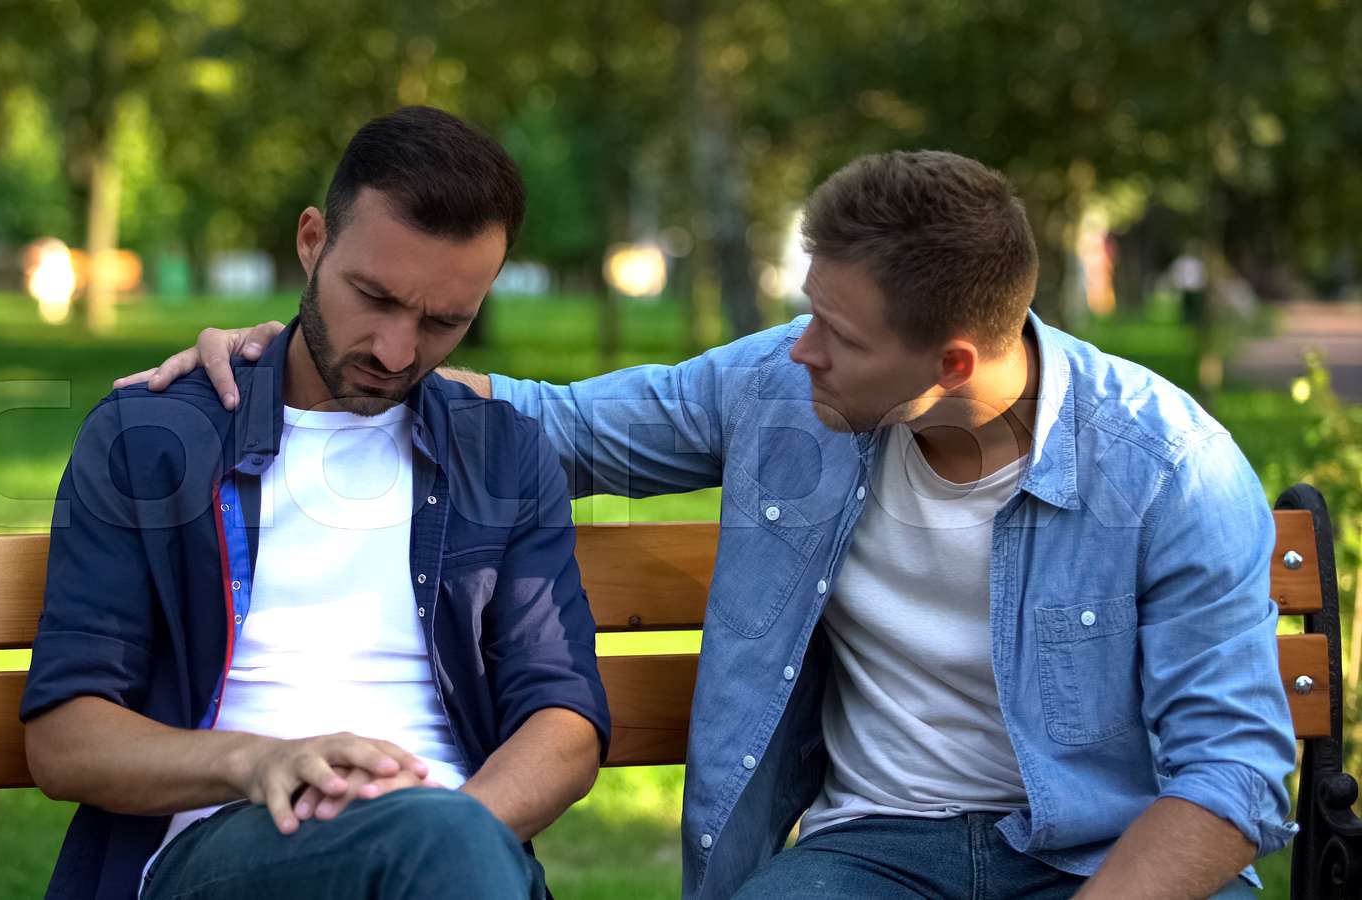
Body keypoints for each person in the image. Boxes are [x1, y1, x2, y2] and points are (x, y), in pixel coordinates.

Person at [133, 150, 1295, 899]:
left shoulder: (1168, 472)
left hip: (1101, 859)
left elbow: (1234, 770)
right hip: (870, 854)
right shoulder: (781, 386)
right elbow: (557, 426)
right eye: (807, 314)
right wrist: (285, 356)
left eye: (838, 336)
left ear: (949, 364)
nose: (801, 353)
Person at [22, 106, 610, 900]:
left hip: (460, 847)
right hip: (225, 844)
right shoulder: (152, 440)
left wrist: (448, 839)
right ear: (311, 242)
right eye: (374, 297)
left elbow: (564, 725)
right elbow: (66, 740)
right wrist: (259, 760)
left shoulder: (502, 453)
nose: (397, 352)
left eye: (445, 322)